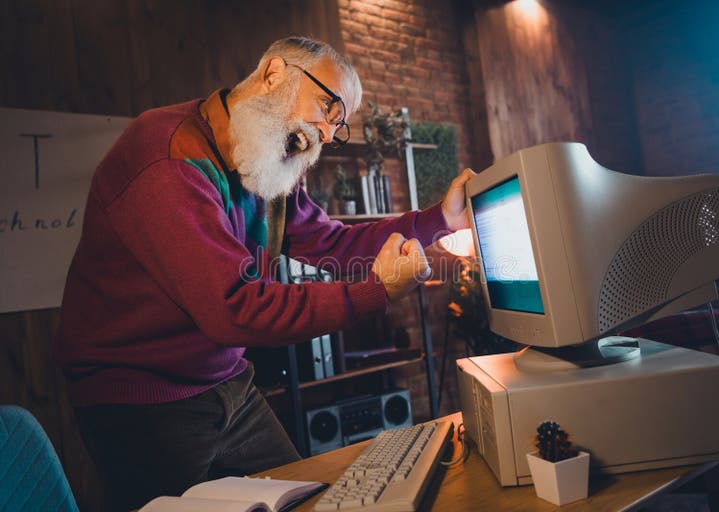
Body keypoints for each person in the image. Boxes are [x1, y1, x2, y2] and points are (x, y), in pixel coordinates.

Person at [54, 36, 474, 510]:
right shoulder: (168, 156)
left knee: (300, 500)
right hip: (142, 400)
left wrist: (442, 219)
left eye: (338, 125)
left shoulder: (265, 160)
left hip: (227, 382)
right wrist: (375, 291)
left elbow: (332, 243)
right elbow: (233, 308)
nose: (327, 134)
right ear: (275, 74)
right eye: (328, 107)